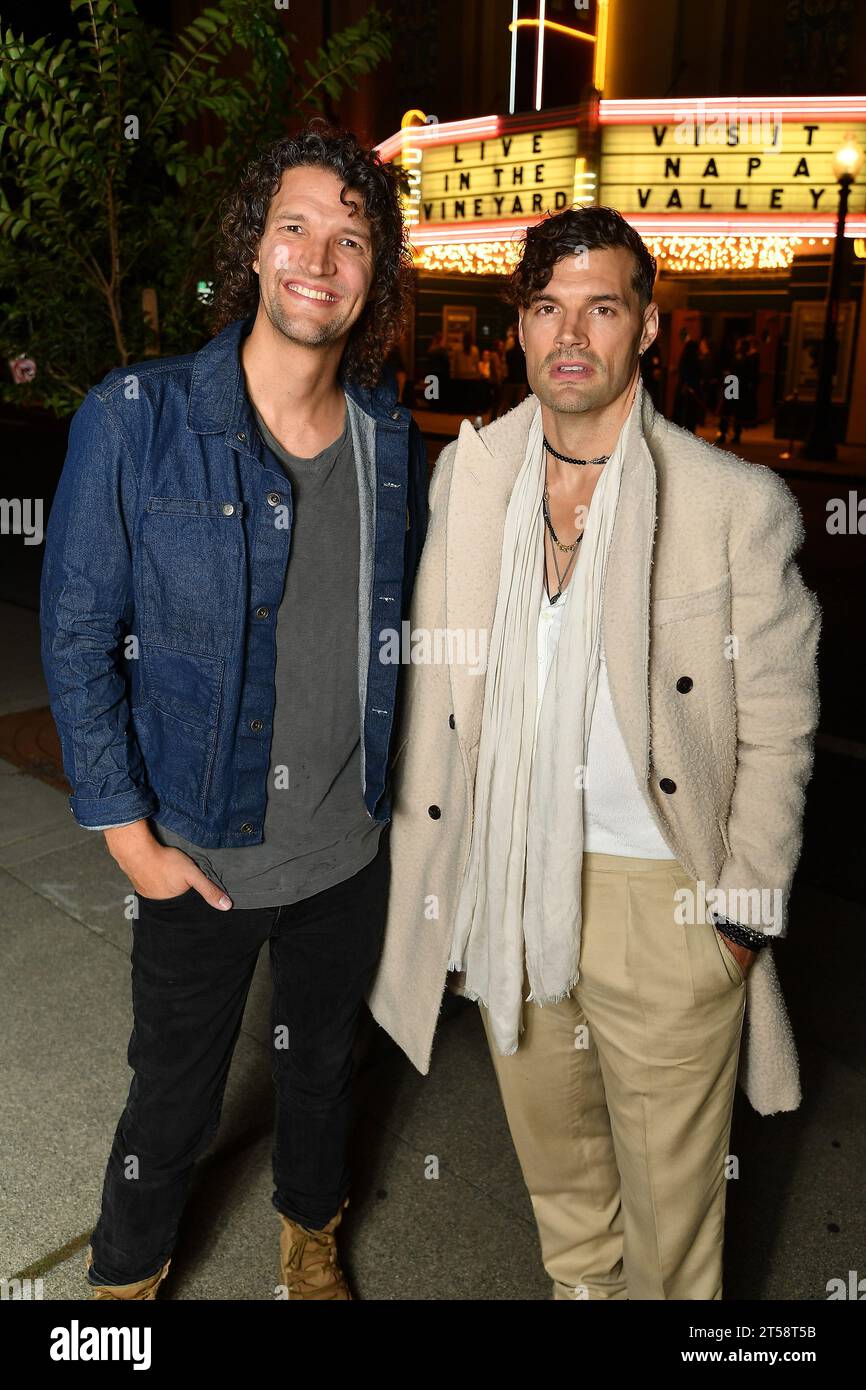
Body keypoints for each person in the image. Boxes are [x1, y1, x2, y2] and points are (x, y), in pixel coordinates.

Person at [369, 205, 820, 1300]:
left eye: (600, 307)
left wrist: (738, 917)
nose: (570, 333)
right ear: (519, 327)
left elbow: (778, 724)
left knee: (673, 1238)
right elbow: (439, 688)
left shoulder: (731, 503)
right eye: (546, 307)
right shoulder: (470, 480)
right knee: (563, 1197)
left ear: (647, 328)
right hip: (511, 884)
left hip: (664, 904)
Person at [40, 119, 429, 1302]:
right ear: (253, 252)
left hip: (346, 851)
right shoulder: (139, 415)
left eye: (350, 238)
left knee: (323, 1070)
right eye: (295, 227)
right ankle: (122, 1284)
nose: (320, 256)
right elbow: (75, 632)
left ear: (374, 274)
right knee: (172, 1091)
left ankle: (309, 1236)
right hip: (196, 849)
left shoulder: (385, 438)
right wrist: (126, 834)